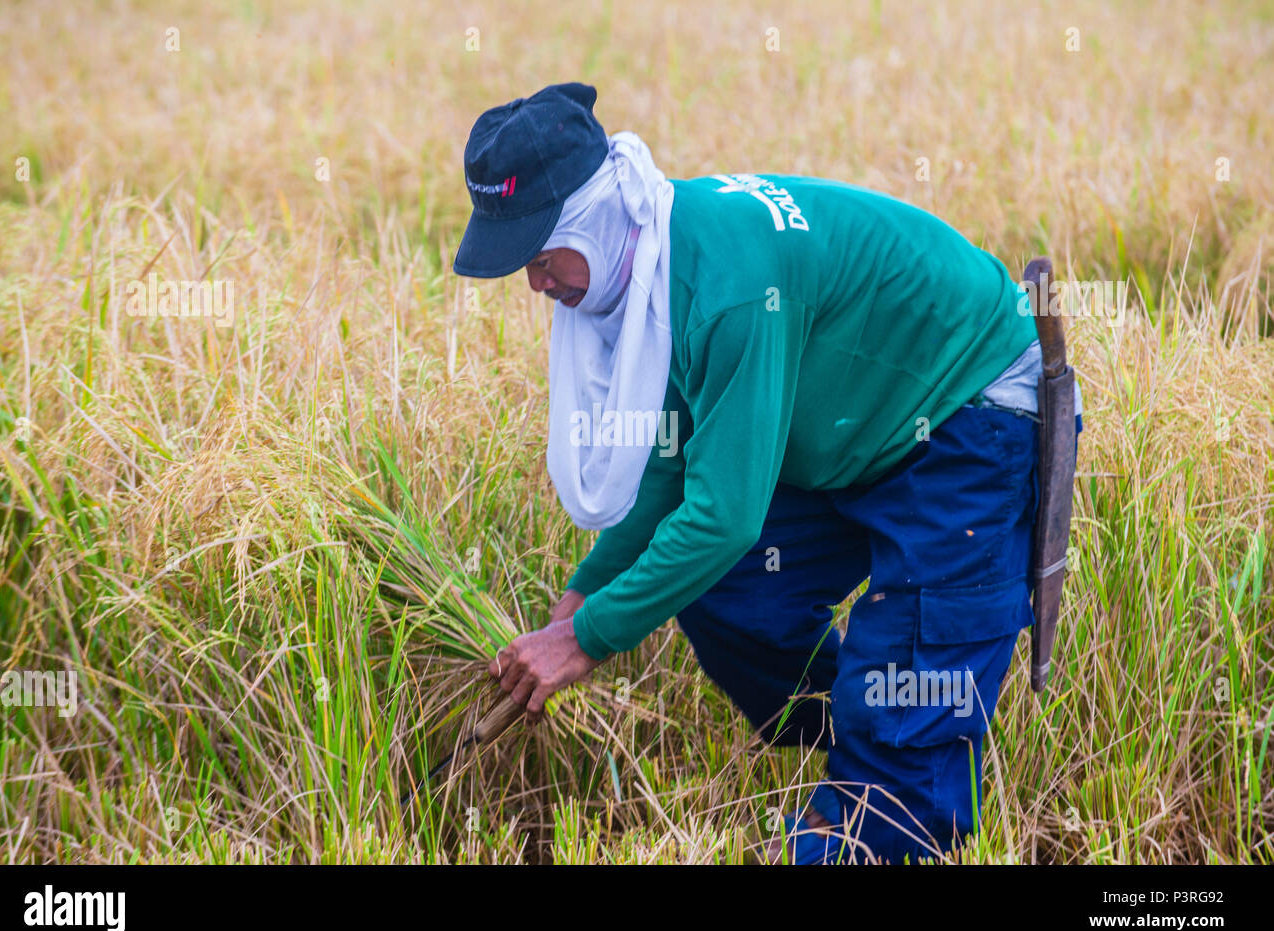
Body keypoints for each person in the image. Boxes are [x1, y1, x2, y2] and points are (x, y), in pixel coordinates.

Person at [451, 81, 1083, 863]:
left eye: (542, 257)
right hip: (862, 421)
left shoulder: (724, 286)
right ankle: (865, 726)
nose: (536, 284)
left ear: (595, 217)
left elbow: (724, 517)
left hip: (971, 411)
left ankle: (891, 778)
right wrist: (584, 591)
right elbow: (674, 469)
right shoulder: (655, 266)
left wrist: (585, 638)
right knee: (728, 589)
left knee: (887, 783)